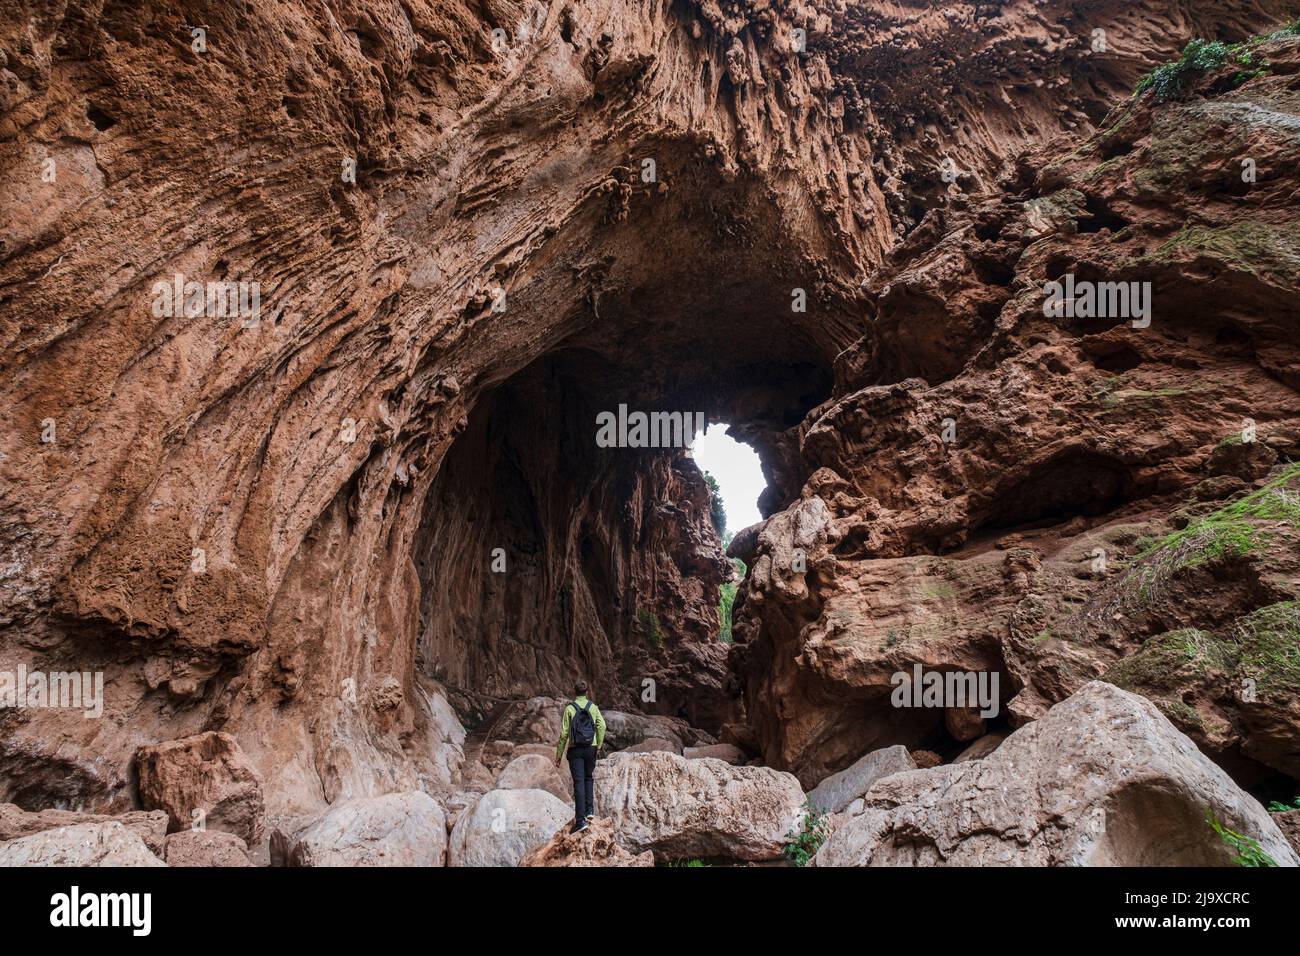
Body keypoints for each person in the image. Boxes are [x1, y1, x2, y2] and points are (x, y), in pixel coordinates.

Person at [554, 679, 606, 832]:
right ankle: (590, 812)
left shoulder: (570, 709)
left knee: (579, 783)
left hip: (575, 750)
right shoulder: (593, 707)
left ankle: (580, 821)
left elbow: (564, 734)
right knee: (589, 778)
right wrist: (598, 744)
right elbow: (602, 725)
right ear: (587, 692)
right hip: (591, 748)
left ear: (574, 693)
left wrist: (559, 755)